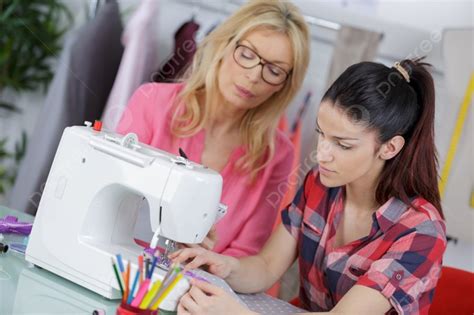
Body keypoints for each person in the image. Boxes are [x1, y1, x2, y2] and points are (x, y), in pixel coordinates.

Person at [171, 59, 447, 315]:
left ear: (389, 148)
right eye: (321, 135)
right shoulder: (320, 183)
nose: (322, 154)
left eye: (343, 144)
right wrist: (225, 266)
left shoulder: (421, 232)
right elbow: (267, 266)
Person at [116, 0, 310, 257]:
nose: (253, 75)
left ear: (283, 86)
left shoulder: (277, 155)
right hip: (120, 261)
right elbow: (115, 197)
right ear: (223, 44)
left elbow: (243, 255)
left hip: (195, 289)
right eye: (247, 55)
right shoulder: (152, 102)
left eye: (274, 71)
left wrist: (209, 261)